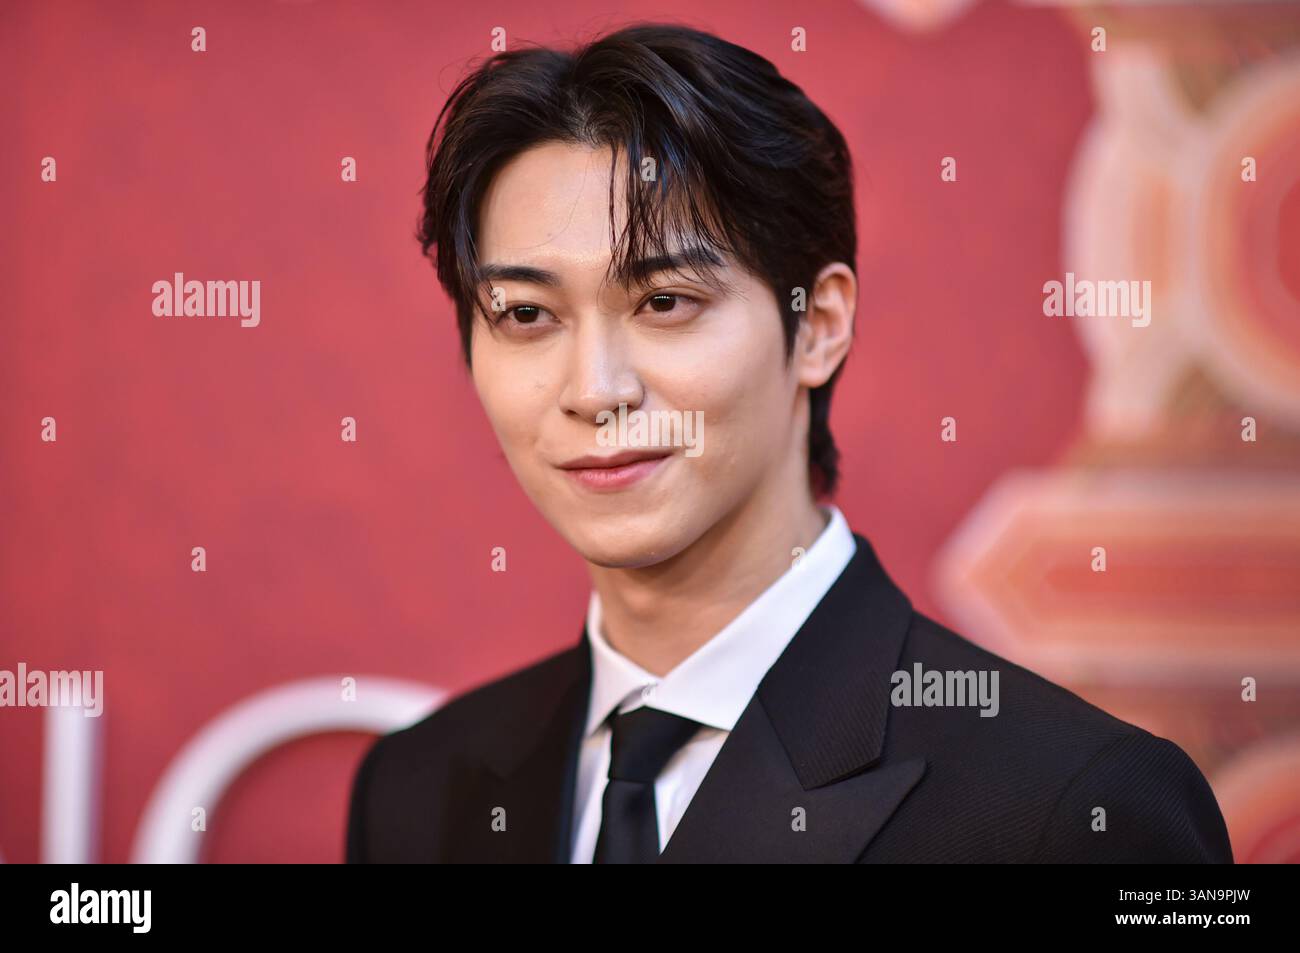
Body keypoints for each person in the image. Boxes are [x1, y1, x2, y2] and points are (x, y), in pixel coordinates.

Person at [345, 23, 1233, 863]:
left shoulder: (1074, 805)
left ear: (819, 326)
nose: (593, 390)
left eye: (664, 302)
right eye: (527, 315)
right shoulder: (418, 790)